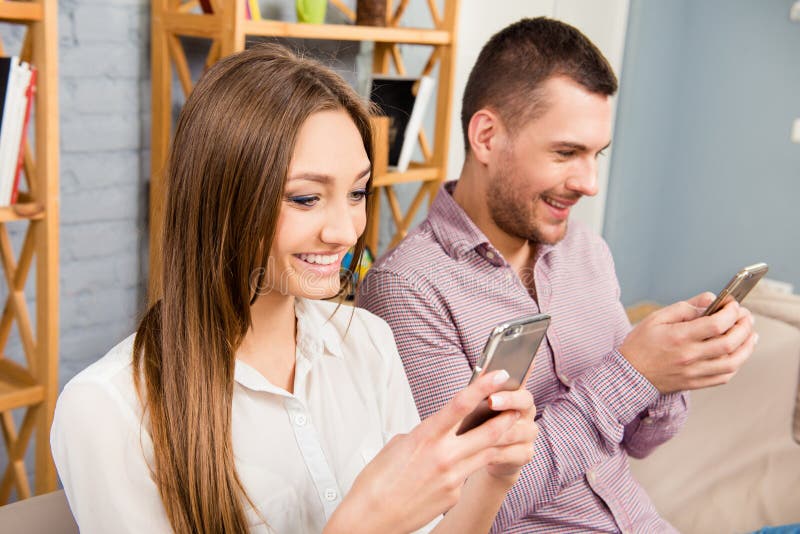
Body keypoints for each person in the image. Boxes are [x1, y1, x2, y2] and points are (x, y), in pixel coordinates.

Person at [50, 44, 539, 534]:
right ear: (223, 197)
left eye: (356, 193)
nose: (346, 231)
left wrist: (495, 475)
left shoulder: (368, 341)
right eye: (306, 198)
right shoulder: (104, 410)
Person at [357, 17, 756, 533]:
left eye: (596, 155)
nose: (589, 183)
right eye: (566, 153)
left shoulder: (585, 251)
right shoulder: (407, 290)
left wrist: (673, 371)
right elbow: (465, 510)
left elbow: (640, 441)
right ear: (486, 136)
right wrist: (632, 372)